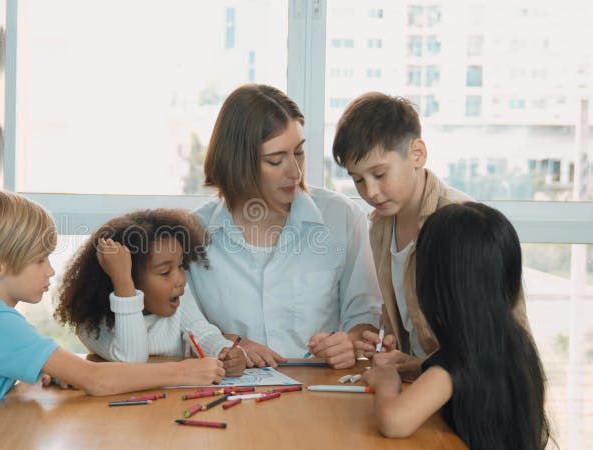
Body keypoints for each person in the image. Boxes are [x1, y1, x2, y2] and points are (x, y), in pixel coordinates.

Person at [0, 192, 224, 450]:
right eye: (40, 260)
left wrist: (48, 370)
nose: (50, 271)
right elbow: (96, 379)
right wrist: (184, 371)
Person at [186, 84, 382, 369]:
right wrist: (222, 342)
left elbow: (366, 316)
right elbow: (179, 329)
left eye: (299, 153)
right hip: (233, 389)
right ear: (237, 163)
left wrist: (348, 342)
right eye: (275, 160)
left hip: (319, 387)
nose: (295, 172)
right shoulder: (193, 234)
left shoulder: (340, 216)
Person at [332, 92, 529, 373]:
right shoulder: (379, 226)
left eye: (379, 174)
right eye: (358, 180)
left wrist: (418, 366)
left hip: (472, 390)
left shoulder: (463, 225)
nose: (370, 192)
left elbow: (495, 348)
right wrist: (391, 348)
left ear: (417, 154)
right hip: (422, 384)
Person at [362, 202, 551, 450]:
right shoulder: (513, 344)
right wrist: (419, 366)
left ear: (436, 287)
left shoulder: (458, 363)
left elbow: (394, 422)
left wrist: (386, 383)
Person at [55, 209, 247, 377]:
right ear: (129, 278)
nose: (181, 279)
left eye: (181, 265)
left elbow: (202, 332)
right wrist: (123, 283)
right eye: (165, 272)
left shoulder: (180, 300)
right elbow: (132, 362)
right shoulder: (93, 324)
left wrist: (223, 351)